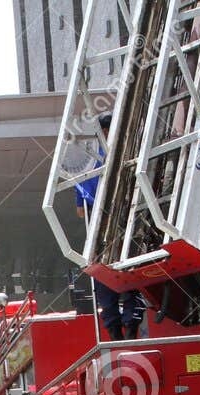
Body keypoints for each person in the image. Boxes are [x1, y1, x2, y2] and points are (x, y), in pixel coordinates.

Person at [73, 112, 144, 342]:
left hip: (97, 224)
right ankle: (131, 326)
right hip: (124, 219)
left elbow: (80, 211)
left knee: (103, 277)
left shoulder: (88, 162)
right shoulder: (128, 153)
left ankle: (115, 332)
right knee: (132, 271)